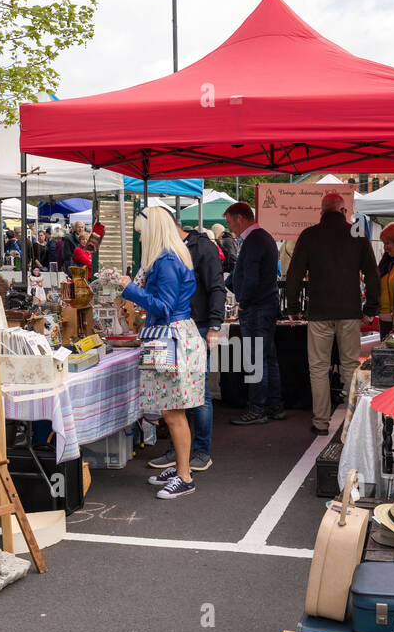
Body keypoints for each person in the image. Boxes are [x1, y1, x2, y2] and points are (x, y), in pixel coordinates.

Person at [120, 207, 207, 499]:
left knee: (173, 412)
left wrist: (129, 289)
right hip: (172, 336)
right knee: (173, 410)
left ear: (153, 230)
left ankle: (184, 475)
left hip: (170, 337)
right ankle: (182, 468)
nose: (140, 238)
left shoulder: (166, 260)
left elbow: (164, 307)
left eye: (142, 232)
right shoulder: (172, 256)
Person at [286, 192, 380, 435]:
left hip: (318, 313)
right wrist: (370, 309)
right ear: (343, 211)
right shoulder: (357, 234)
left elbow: (294, 275)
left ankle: (320, 422)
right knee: (350, 366)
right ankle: (354, 425)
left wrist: (294, 309)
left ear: (321, 211)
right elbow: (372, 274)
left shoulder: (309, 235)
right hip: (349, 311)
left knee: (318, 368)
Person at [147, 207, 225, 472]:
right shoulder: (168, 252)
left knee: (197, 394)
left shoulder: (201, 248)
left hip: (196, 327)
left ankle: (201, 452)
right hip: (177, 330)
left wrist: (215, 325)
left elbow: (217, 287)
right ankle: (178, 452)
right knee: (175, 397)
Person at [224, 202, 283, 426]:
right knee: (267, 357)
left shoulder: (255, 240)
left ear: (241, 218)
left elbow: (250, 277)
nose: (230, 228)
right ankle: (274, 405)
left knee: (256, 359)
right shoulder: (262, 238)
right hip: (264, 305)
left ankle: (257, 407)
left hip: (256, 307)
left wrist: (242, 301)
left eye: (230, 222)